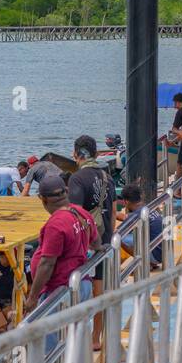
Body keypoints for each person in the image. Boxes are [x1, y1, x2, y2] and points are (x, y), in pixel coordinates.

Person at [24, 173, 98, 311]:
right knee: (77, 325)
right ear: (67, 191)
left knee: (48, 326)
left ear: (42, 199)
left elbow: (47, 263)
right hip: (82, 284)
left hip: (60, 293)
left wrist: (32, 297)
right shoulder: (82, 213)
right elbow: (96, 243)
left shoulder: (56, 225)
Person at [68, 135, 115, 349]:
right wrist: (110, 237)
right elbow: (112, 212)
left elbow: (75, 214)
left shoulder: (77, 179)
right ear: (96, 154)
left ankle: (76, 338)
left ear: (76, 154)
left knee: (77, 288)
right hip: (104, 240)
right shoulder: (107, 177)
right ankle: (96, 338)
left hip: (86, 243)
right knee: (99, 290)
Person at [116, 183, 164, 268]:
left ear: (126, 202)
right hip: (164, 252)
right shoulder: (148, 207)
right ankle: (150, 261)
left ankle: (145, 262)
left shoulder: (135, 215)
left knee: (118, 238)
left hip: (156, 256)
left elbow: (117, 232)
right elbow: (126, 217)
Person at [169, 92, 182, 177]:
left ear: (179, 102)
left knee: (180, 164)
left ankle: (178, 183)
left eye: (175, 103)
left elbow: (175, 129)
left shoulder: (180, 112)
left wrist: (173, 141)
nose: (174, 107)